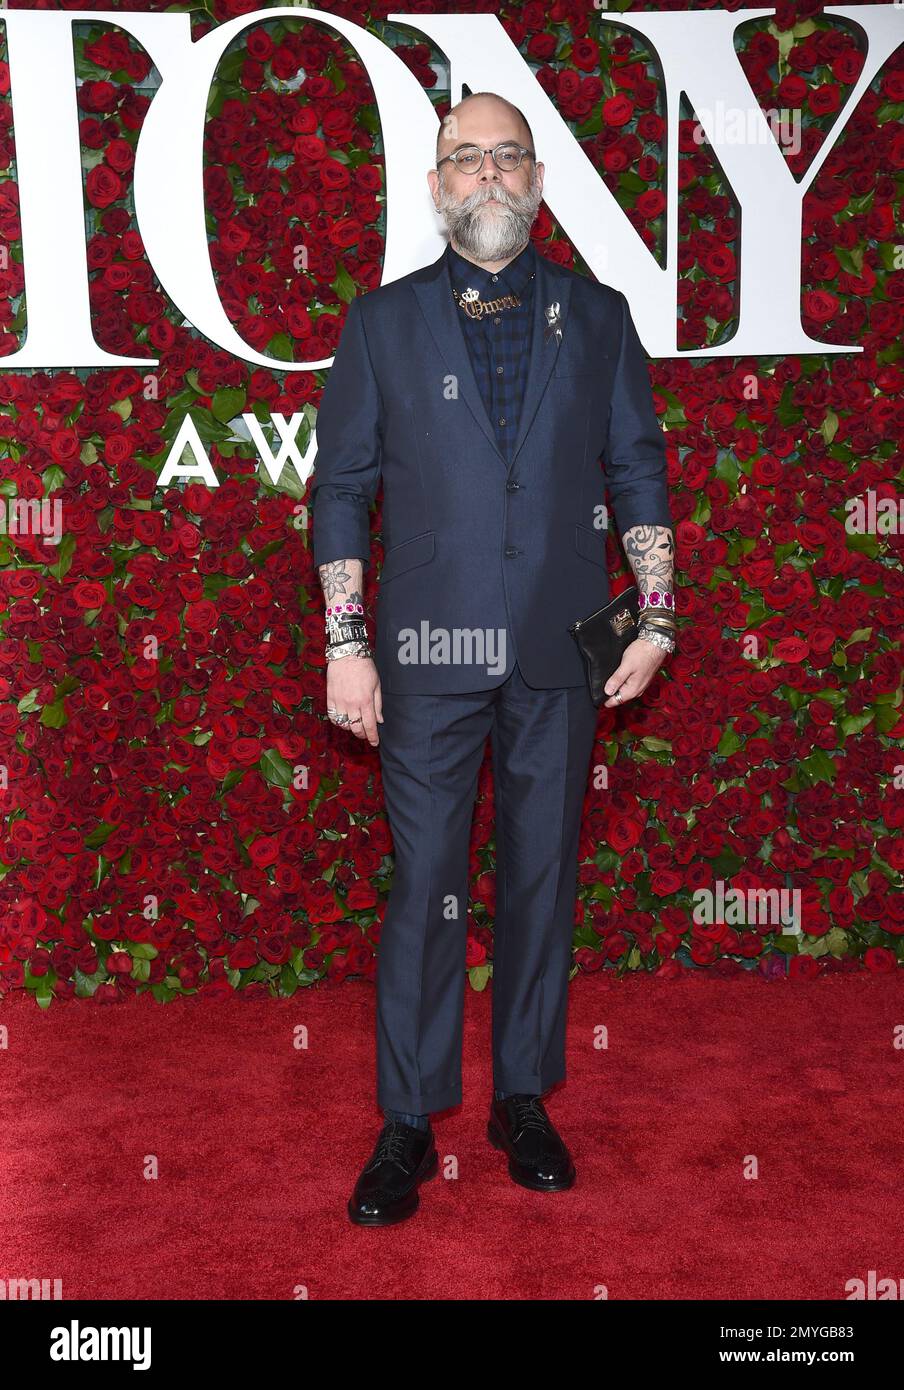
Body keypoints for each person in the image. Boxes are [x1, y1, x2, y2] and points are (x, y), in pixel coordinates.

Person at [310, 91, 676, 1226]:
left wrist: (656, 619)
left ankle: (522, 1095)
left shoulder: (599, 315)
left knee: (537, 877)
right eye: (463, 158)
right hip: (423, 652)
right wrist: (346, 644)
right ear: (434, 186)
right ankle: (410, 1122)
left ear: (536, 179)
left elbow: (638, 474)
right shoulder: (381, 324)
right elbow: (341, 490)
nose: (486, 176)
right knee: (426, 888)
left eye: (506, 157)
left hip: (561, 655)